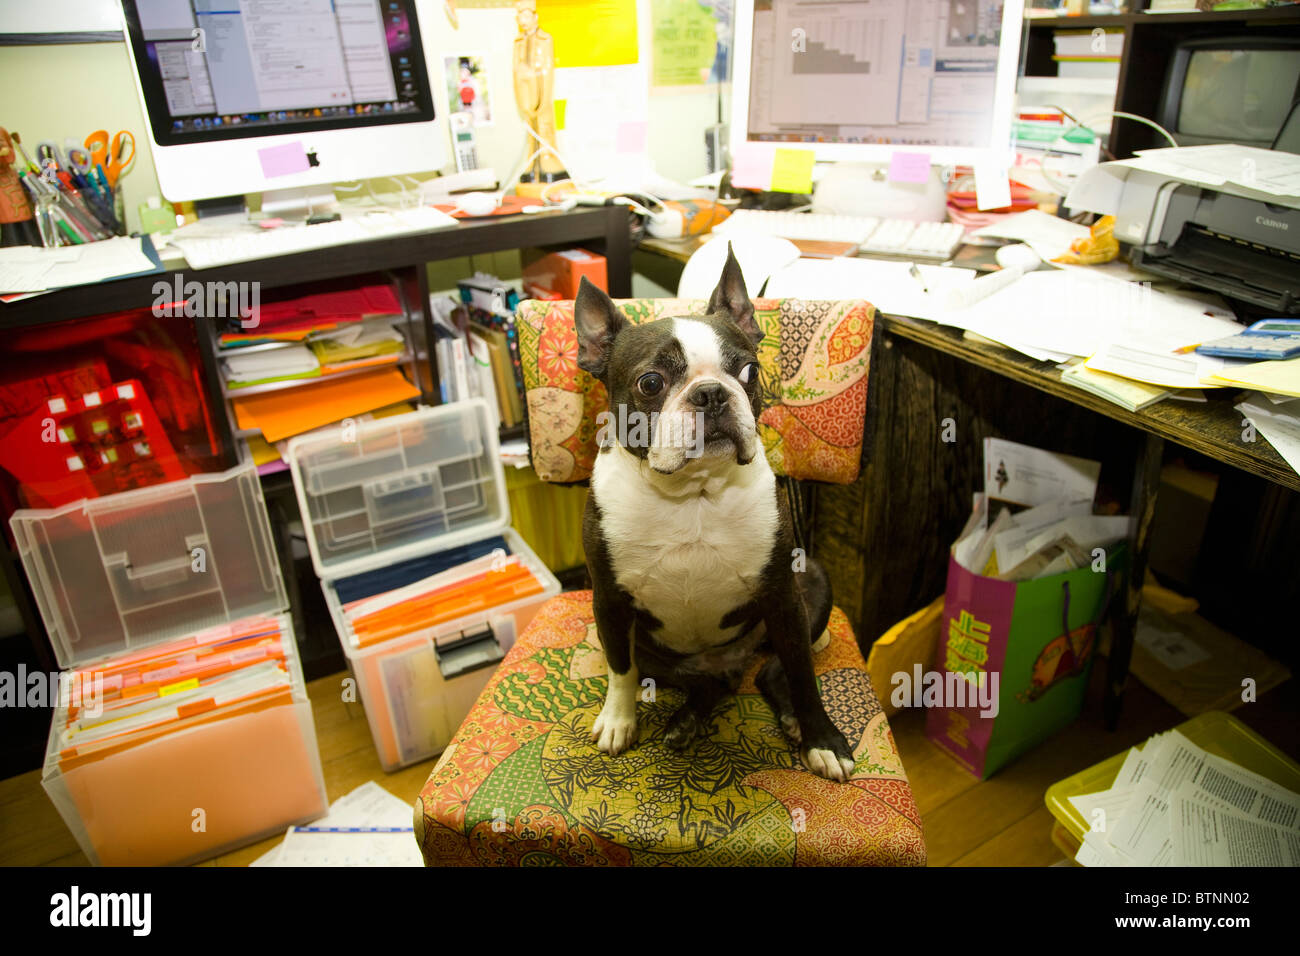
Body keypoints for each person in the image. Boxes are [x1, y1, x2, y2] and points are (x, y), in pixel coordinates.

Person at [512, 0, 566, 182]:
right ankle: (533, 165)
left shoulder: (545, 39)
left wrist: (544, 95)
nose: (523, 20)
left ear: (535, 17)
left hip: (541, 89)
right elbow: (515, 70)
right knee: (530, 128)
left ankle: (548, 162)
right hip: (526, 91)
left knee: (545, 126)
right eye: (520, 16)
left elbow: (547, 69)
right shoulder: (518, 42)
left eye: (526, 16)